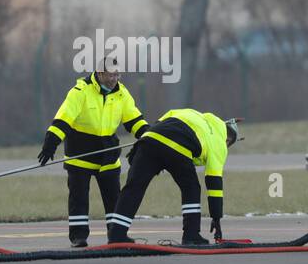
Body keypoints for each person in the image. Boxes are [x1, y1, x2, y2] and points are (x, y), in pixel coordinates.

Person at [38, 59, 149, 247]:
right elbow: (64, 119)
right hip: (80, 154)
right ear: (99, 73)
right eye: (111, 75)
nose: (115, 79)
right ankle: (78, 236)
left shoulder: (122, 94)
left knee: (114, 197)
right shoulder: (80, 91)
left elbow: (134, 120)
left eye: (117, 75)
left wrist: (148, 138)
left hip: (108, 154)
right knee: (79, 198)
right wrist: (51, 142)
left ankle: (116, 235)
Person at [107, 109, 238, 246]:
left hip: (149, 140)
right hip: (178, 146)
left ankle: (117, 234)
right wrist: (216, 217)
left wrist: (145, 146)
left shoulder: (193, 114)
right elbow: (214, 182)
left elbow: (160, 122)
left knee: (133, 188)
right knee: (191, 188)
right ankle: (191, 235)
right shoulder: (219, 142)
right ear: (228, 139)